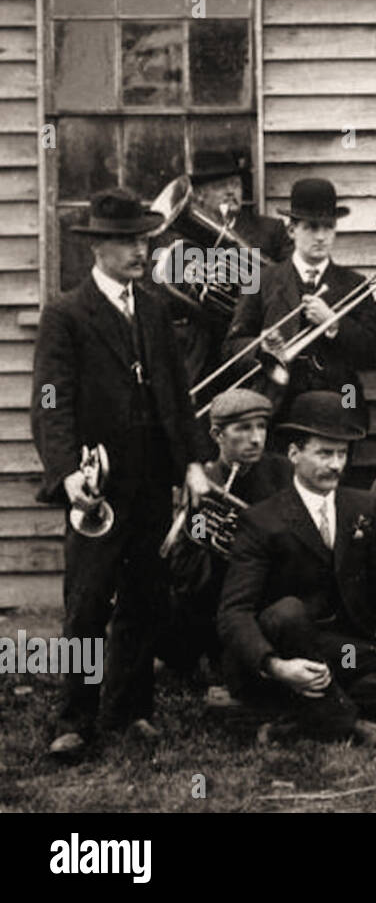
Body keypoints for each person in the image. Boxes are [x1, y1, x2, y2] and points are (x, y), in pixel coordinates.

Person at [32, 187, 213, 758]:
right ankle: (75, 717)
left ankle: (129, 709)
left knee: (146, 596)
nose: (141, 250)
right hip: (97, 487)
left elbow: (179, 398)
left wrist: (192, 463)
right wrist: (67, 476)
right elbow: (50, 402)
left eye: (144, 240)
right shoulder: (65, 314)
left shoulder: (156, 308)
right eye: (128, 241)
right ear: (99, 248)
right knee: (87, 603)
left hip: (154, 480)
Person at [217, 392, 376, 746]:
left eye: (342, 454)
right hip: (283, 650)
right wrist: (277, 666)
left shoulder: (364, 505)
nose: (336, 464)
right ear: (293, 454)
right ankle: (354, 725)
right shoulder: (261, 519)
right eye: (324, 453)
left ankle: (303, 720)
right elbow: (234, 613)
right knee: (289, 611)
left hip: (343, 653)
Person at [157, 389, 294, 687]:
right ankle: (189, 656)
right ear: (217, 434)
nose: (256, 438)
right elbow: (182, 569)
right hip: (212, 597)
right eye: (243, 429)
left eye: (261, 427)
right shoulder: (202, 480)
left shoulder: (284, 473)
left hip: (264, 596)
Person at [223, 178, 376, 429]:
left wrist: (334, 324)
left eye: (328, 227)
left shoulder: (354, 283)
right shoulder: (261, 280)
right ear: (291, 230)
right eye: (311, 227)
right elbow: (231, 346)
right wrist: (261, 346)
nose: (321, 237)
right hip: (277, 405)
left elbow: (372, 353)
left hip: (343, 401)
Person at [163, 149, 293, 386]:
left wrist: (250, 282)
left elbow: (291, 278)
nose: (231, 191)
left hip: (257, 344)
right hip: (206, 352)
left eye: (236, 183)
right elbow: (168, 300)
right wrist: (200, 286)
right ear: (200, 195)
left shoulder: (271, 230)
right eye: (221, 185)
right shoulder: (181, 243)